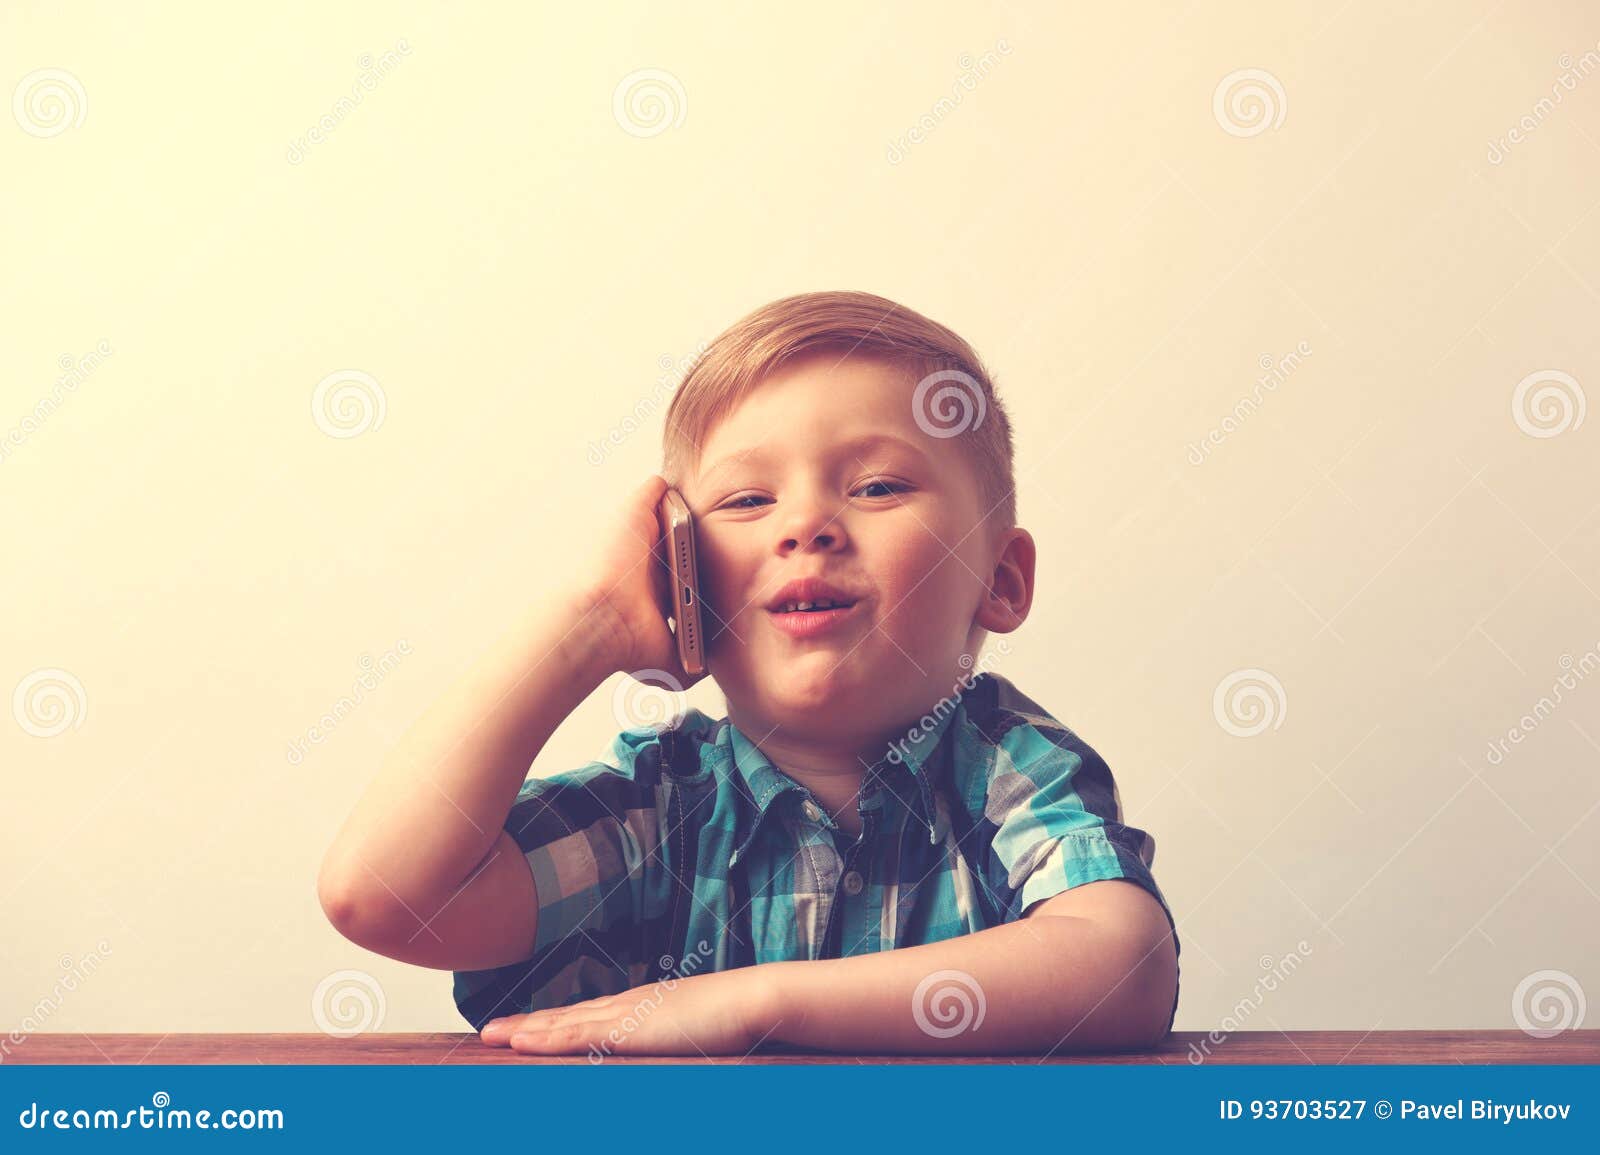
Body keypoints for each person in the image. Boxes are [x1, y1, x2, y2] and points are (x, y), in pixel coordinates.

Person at [317, 289, 1179, 1055]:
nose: (805, 523)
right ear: (682, 573)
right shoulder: (661, 815)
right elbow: (382, 895)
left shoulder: (1011, 771)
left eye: (877, 486)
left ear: (1001, 579)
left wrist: (753, 1003)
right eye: (745, 501)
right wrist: (592, 623)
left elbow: (1125, 965)